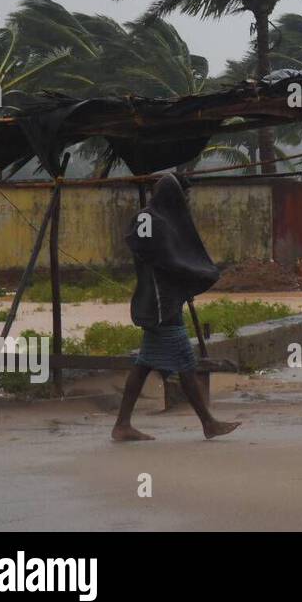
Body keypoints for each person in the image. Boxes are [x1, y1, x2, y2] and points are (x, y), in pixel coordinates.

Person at [112, 172, 240, 442]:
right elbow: (164, 258)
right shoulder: (154, 220)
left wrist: (183, 282)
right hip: (160, 304)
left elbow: (160, 254)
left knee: (145, 363)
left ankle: (122, 424)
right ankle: (208, 422)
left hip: (160, 299)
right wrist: (192, 274)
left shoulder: (152, 218)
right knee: (184, 362)